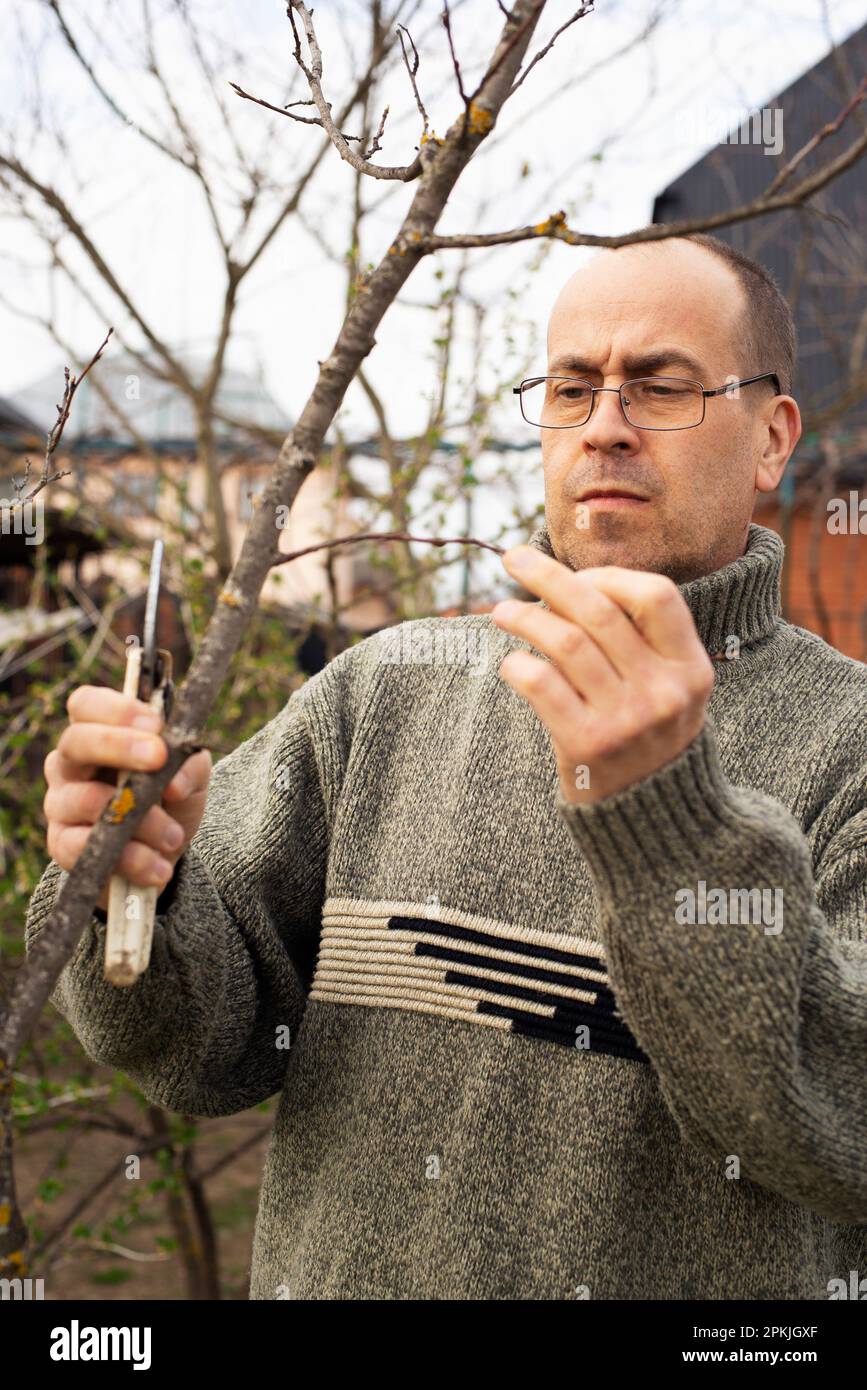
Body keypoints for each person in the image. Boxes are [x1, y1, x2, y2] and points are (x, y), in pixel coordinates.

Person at [26, 233, 867, 1300]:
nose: (604, 426)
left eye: (660, 388)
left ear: (772, 436)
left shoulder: (851, 744)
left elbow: (846, 1126)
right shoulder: (384, 690)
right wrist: (133, 887)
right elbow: (201, 1050)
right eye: (572, 388)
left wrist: (672, 821)